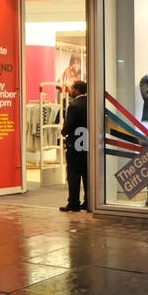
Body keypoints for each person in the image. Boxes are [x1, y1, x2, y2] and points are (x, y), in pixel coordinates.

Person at [60, 79, 88, 212]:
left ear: (77, 90)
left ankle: (73, 202)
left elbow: (68, 127)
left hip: (75, 145)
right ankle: (88, 201)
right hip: (88, 145)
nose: (70, 90)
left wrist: (63, 132)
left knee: (73, 174)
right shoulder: (91, 104)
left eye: (72, 88)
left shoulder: (73, 106)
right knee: (87, 174)